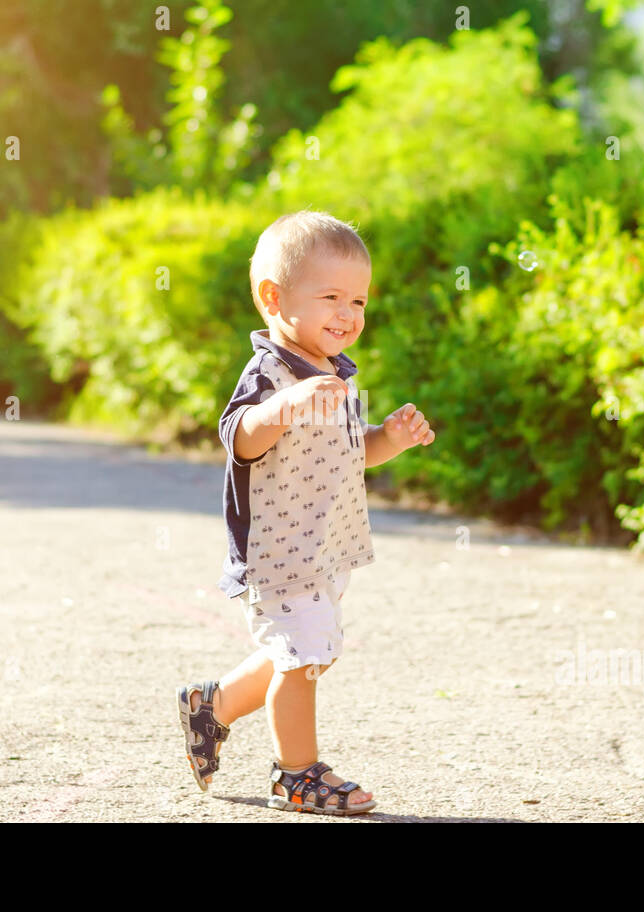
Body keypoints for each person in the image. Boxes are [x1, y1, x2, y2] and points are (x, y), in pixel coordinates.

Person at [176, 210, 436, 815]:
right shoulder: (271, 372)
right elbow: (240, 437)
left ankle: (212, 705)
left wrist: (390, 439)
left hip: (324, 546)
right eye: (330, 297)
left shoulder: (334, 374)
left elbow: (351, 452)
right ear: (274, 298)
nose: (348, 314)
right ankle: (296, 775)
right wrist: (286, 404)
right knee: (307, 654)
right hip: (278, 554)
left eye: (359, 301)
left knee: (305, 649)